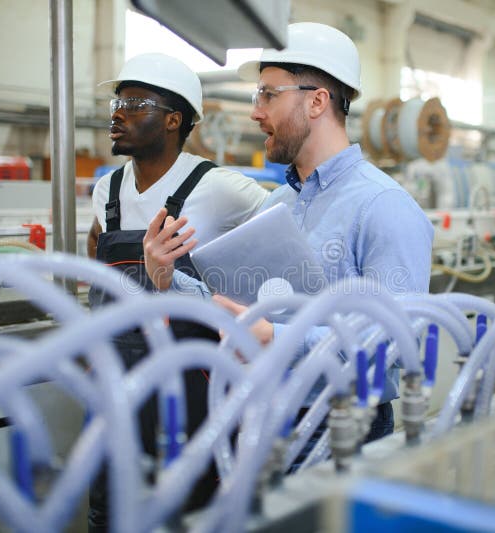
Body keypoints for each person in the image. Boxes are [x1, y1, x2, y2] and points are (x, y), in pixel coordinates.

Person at [144, 22, 433, 457]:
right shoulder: (279, 201)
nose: (255, 112)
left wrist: (276, 338)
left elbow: (397, 339)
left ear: (316, 101)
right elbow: (243, 308)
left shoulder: (384, 205)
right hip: (265, 419)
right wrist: (168, 278)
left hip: (345, 431)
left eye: (268, 94)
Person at [86, 52, 268, 531]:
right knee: (110, 507)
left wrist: (252, 313)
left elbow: (286, 234)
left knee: (189, 511)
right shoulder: (104, 190)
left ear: (173, 120)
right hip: (118, 385)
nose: (117, 113)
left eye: (135, 103)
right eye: (116, 103)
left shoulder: (220, 189)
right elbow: (98, 265)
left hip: (192, 389)